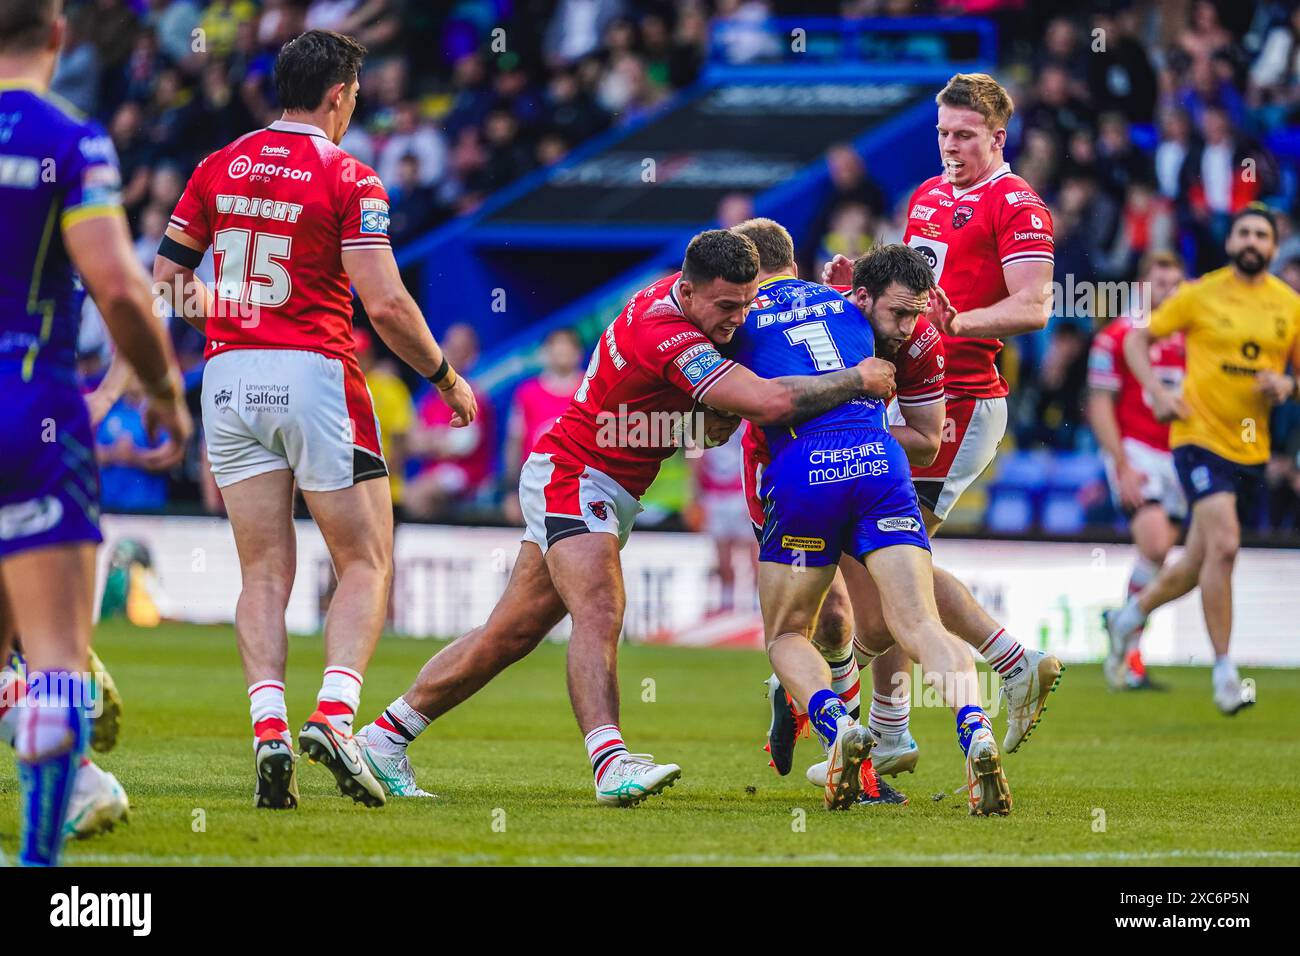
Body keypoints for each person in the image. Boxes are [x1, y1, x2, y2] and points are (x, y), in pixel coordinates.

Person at [354, 229, 895, 805]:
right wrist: (857, 378)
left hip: (607, 482)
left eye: (745, 304)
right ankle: (611, 764)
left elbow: (710, 422)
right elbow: (765, 403)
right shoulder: (664, 332)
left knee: (507, 635)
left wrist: (832, 304)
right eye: (727, 307)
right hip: (575, 473)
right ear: (687, 292)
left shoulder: (698, 314)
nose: (738, 319)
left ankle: (382, 740)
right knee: (602, 606)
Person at [154, 29, 476, 810]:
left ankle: (269, 730)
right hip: (316, 373)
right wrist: (443, 374)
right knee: (365, 560)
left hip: (227, 375)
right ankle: (334, 716)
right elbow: (389, 302)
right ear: (338, 94)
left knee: (263, 570)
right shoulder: (350, 176)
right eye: (356, 94)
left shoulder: (217, 164)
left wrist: (235, 317)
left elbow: (166, 277)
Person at [814, 73, 1062, 778]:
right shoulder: (927, 196)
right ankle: (911, 720)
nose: (951, 148)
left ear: (997, 137)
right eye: (943, 134)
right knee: (886, 559)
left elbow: (1036, 304)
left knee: (890, 562)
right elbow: (903, 293)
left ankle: (964, 689)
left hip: (963, 400)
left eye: (965, 136)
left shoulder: (1016, 203)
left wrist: (961, 321)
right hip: (918, 393)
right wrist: (853, 284)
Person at [0, 0, 192, 866]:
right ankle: (39, 868)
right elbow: (118, 287)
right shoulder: (70, 140)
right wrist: (163, 392)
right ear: (58, 36)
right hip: (31, 401)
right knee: (52, 660)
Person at [731, 227, 1012, 816]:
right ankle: (975, 727)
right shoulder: (848, 305)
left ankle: (839, 728)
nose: (907, 327)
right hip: (879, 463)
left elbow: (712, 416)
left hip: (803, 470)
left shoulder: (742, 315)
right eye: (900, 313)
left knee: (786, 633)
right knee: (919, 623)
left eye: (914, 315)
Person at [1107, 205, 1300, 714]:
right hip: (1197, 437)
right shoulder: (1201, 294)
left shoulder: (1289, 305)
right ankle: (1225, 673)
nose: (1253, 240)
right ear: (1231, 242)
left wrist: (1288, 384)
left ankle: (1129, 616)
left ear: (1274, 247)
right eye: (1244, 232)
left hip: (1251, 447)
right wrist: (1156, 391)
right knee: (1228, 544)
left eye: (1263, 233)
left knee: (1198, 561)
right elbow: (1135, 341)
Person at [1086, 252, 1187, 689]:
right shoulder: (1116, 336)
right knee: (1156, 542)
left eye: (1175, 283)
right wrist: (1121, 464)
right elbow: (1099, 402)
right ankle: (1128, 642)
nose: (1168, 291)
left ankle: (1124, 635)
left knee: (1165, 556)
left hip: (1182, 456)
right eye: (1159, 282)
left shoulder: (1190, 337)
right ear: (1141, 286)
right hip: (1138, 452)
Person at [502, 327, 584, 525]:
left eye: (567, 348)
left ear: (578, 354)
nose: (562, 353)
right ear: (545, 354)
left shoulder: (590, 389)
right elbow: (515, 442)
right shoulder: (527, 393)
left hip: (581, 490)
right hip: (535, 489)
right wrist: (512, 492)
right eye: (556, 348)